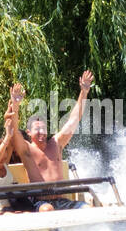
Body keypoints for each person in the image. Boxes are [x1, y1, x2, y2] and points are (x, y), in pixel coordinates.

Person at [7, 70, 93, 210]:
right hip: (41, 203)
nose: (42, 132)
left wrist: (84, 92)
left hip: (62, 199)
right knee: (48, 210)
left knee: (87, 209)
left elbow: (73, 120)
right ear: (29, 132)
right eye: (37, 129)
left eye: (44, 128)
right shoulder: (26, 150)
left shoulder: (57, 143)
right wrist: (15, 106)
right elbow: (14, 129)